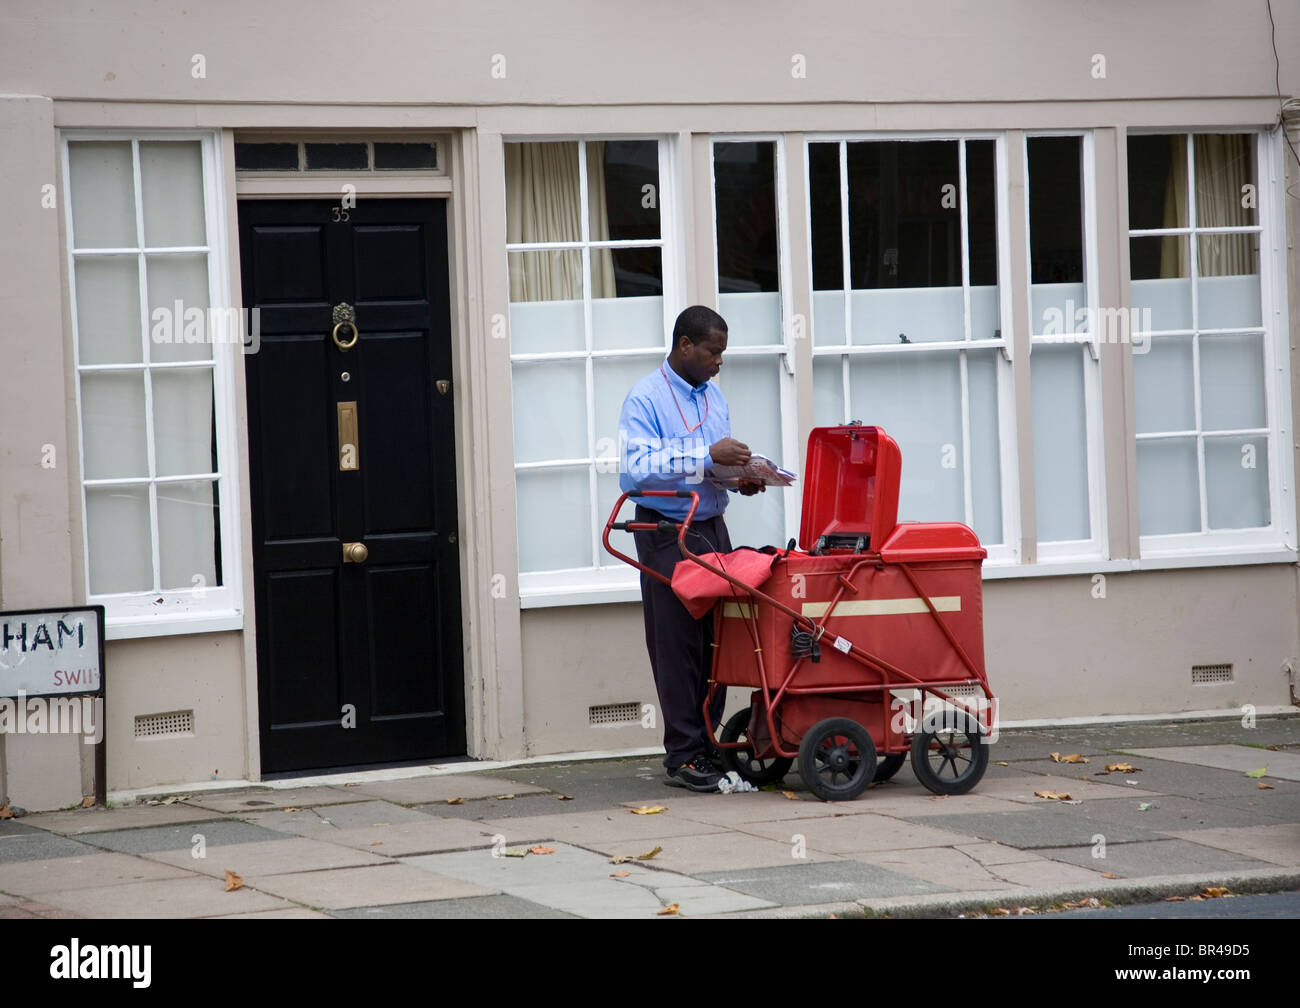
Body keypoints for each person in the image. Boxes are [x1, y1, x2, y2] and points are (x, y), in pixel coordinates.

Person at [618, 305, 764, 792]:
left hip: (711, 525)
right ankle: (683, 755)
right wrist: (706, 456)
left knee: (718, 640)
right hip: (665, 532)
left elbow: (710, 467)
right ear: (685, 345)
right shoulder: (645, 397)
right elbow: (636, 471)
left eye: (722, 353)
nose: (719, 361)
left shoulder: (714, 396)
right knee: (676, 643)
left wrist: (739, 477)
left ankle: (709, 747)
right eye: (712, 352)